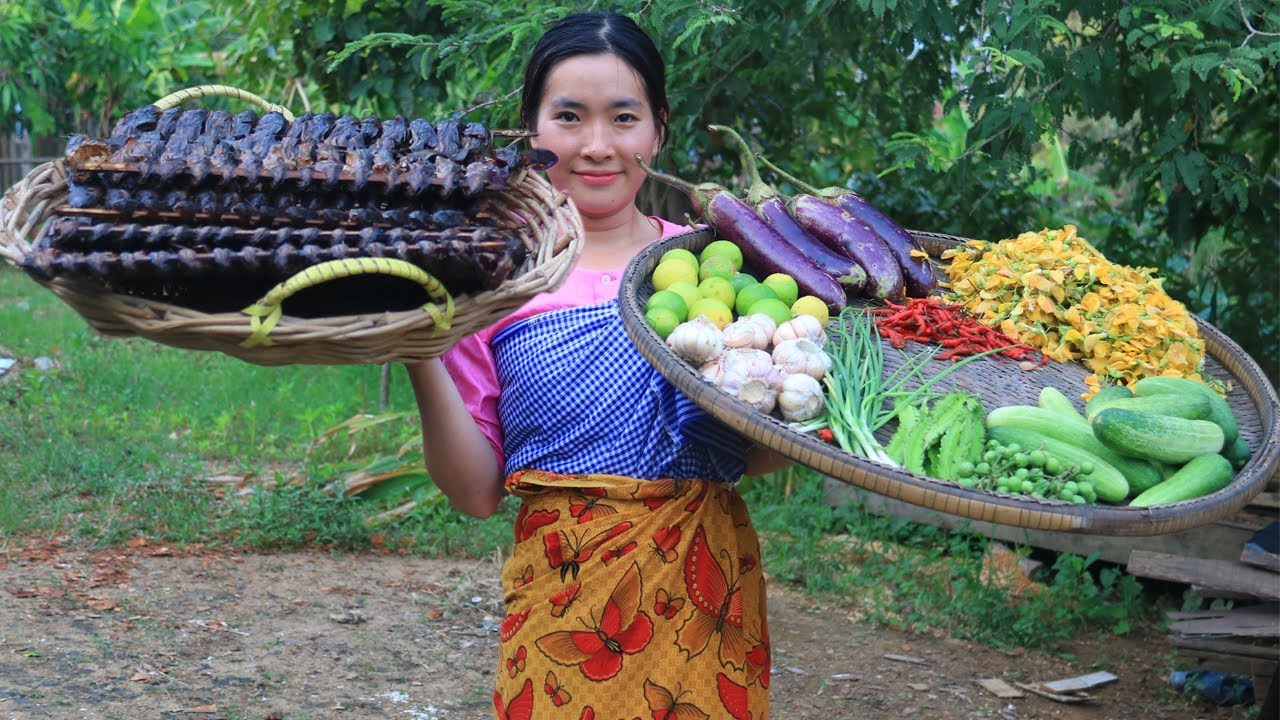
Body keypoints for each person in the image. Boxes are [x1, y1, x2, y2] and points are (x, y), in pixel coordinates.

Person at [405, 11, 786, 718]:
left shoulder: (715, 268)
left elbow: (758, 451)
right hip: (564, 609)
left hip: (706, 598)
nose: (598, 146)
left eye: (624, 118)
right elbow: (476, 493)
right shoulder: (491, 279)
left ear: (659, 129)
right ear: (532, 130)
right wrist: (418, 349)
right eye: (570, 117)